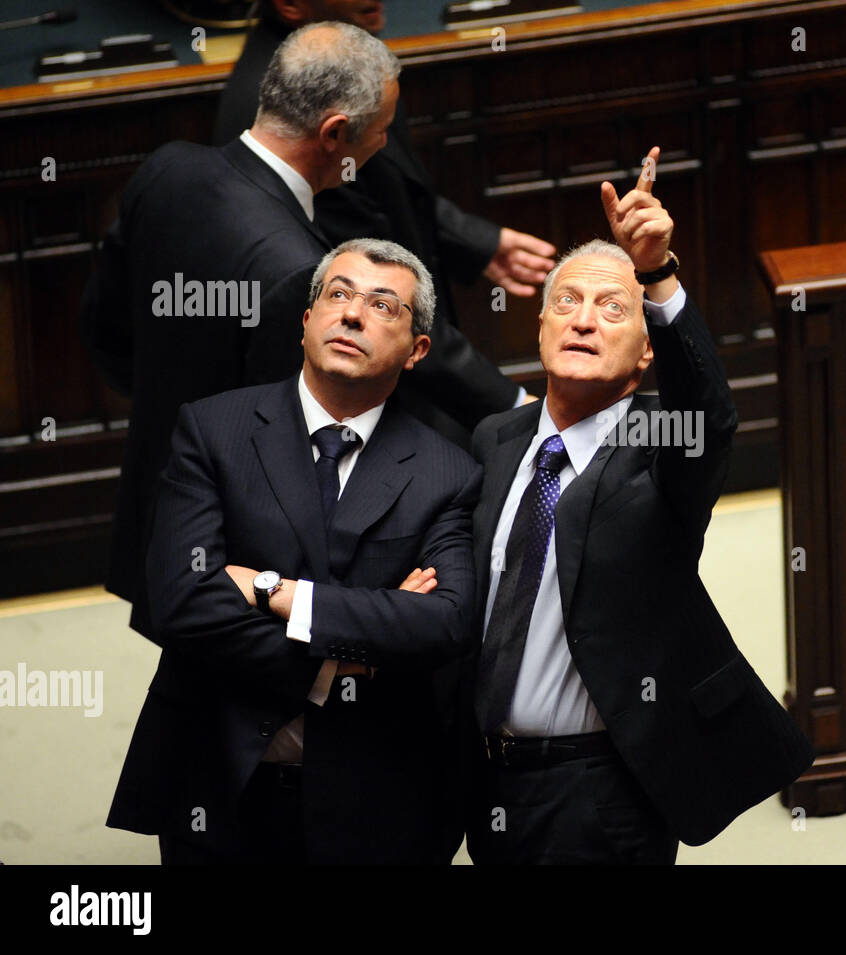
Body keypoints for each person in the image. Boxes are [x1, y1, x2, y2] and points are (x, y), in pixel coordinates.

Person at [466, 147, 814, 864]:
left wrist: (656, 274)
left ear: (647, 347)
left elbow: (711, 414)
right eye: (566, 302)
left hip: (603, 788)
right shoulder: (495, 440)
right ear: (539, 327)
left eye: (612, 307)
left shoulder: (664, 442)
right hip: (489, 782)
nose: (584, 320)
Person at [107, 238, 482, 864]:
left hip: (377, 804)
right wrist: (341, 663)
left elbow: (444, 621)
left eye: (384, 306)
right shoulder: (213, 430)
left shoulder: (447, 471)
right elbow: (180, 601)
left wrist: (271, 592)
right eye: (337, 294)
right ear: (307, 320)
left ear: (417, 350)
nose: (354, 314)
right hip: (221, 787)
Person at [81, 21, 400, 642]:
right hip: (235, 576)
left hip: (157, 520)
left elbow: (102, 326)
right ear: (336, 134)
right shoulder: (295, 274)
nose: (385, 143)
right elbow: (288, 467)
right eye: (383, 129)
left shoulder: (166, 171)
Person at [213, 0, 557, 439]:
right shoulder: (309, 114)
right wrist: (510, 406)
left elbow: (384, 189)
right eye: (376, 132)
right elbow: (381, 292)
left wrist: (473, 240)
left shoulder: (337, 54)